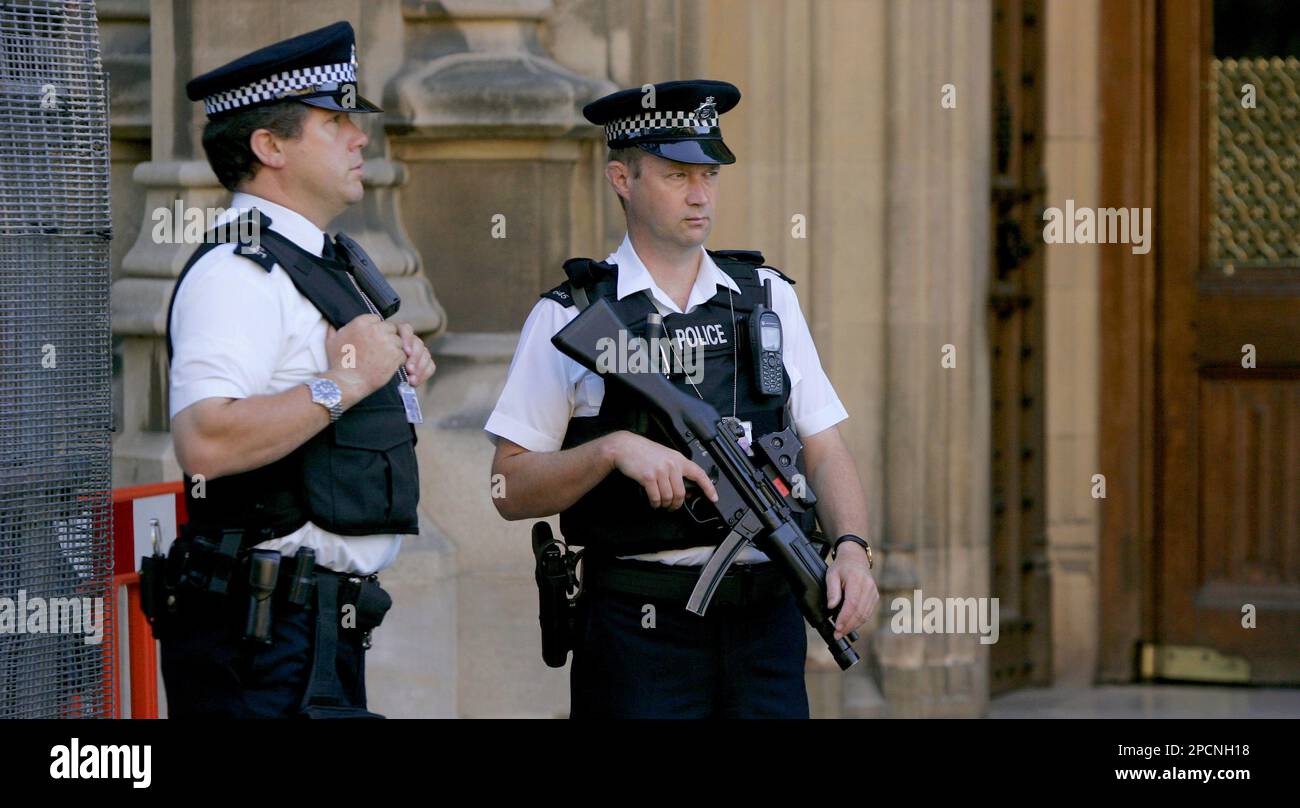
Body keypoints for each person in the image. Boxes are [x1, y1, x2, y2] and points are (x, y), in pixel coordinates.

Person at [486, 79, 880, 718]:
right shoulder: (573, 317)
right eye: (676, 175)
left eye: (709, 175)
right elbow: (508, 488)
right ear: (622, 178)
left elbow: (825, 445)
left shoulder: (767, 299)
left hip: (765, 627)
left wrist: (854, 552)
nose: (700, 195)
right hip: (639, 635)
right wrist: (611, 451)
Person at [151, 21, 436, 718]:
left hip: (317, 630)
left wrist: (391, 380)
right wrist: (351, 382)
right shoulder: (237, 271)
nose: (360, 136)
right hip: (261, 637)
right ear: (269, 145)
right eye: (335, 121)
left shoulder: (316, 261)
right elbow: (206, 442)